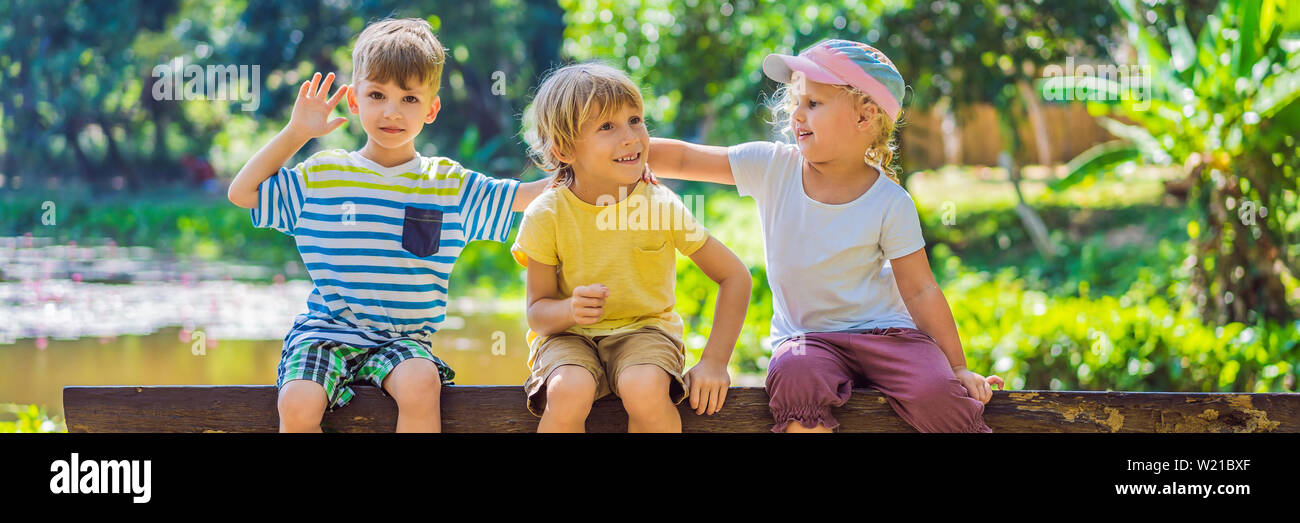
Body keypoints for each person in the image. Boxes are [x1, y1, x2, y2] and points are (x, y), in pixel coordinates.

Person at [648, 39, 1003, 433]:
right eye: (796, 103)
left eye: (813, 104)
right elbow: (683, 158)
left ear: (865, 118)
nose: (796, 115)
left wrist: (957, 368)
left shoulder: (890, 201)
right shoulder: (772, 167)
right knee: (794, 376)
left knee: (939, 393)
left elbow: (920, 291)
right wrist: (611, 150)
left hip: (889, 335)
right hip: (808, 340)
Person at [226, 18, 551, 432]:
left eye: (410, 99)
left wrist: (592, 166)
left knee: (421, 383)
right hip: (327, 332)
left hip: (403, 341)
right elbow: (243, 193)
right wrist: (296, 133)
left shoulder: (447, 183)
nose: (392, 111)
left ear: (431, 108)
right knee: (298, 401)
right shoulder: (323, 175)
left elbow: (524, 196)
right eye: (377, 95)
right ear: (355, 101)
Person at [511, 63, 752, 432]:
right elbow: (538, 314)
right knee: (568, 390)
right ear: (563, 149)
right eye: (607, 126)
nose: (631, 137)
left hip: (645, 333)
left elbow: (734, 275)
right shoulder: (547, 213)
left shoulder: (660, 205)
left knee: (644, 389)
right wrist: (570, 310)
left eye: (635, 119)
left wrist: (715, 362)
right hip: (568, 338)